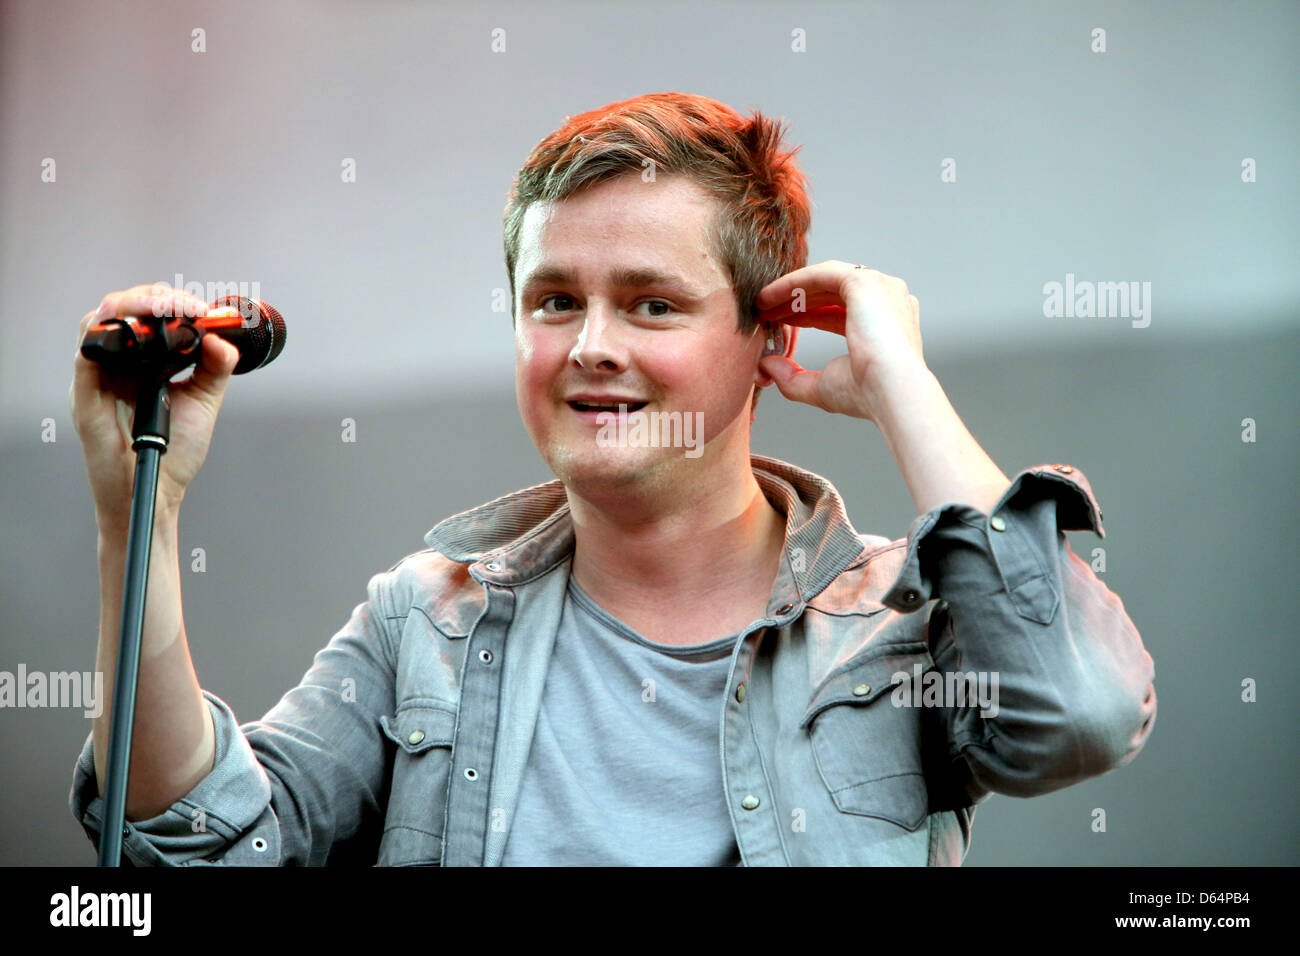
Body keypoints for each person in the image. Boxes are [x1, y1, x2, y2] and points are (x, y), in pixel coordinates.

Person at [68, 92, 1157, 866]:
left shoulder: (898, 624)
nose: (591, 343)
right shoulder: (424, 621)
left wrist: (900, 383)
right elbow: (196, 843)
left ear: (767, 339)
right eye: (552, 301)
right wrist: (139, 519)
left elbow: (1077, 712)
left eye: (652, 301)